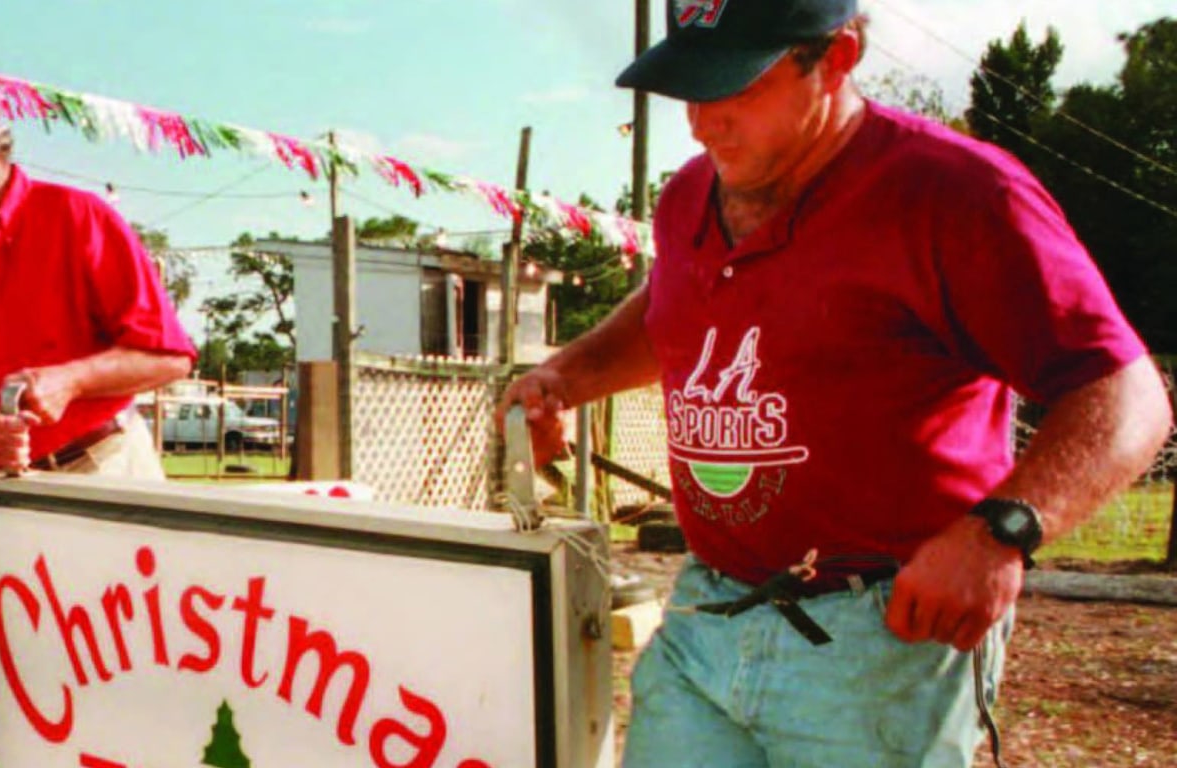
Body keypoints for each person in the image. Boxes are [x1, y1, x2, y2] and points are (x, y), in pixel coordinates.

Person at [499, 1, 1173, 765]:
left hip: (882, 635)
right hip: (708, 606)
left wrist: (1001, 533)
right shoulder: (691, 191)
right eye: (690, 87)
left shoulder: (955, 194)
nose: (702, 121)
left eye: (736, 86)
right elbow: (669, 306)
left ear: (838, 56)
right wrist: (564, 376)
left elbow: (1126, 394)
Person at [0, 72, 198, 736]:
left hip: (99, 476)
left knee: (132, 675)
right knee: (16, 681)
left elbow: (170, 355)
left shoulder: (78, 219)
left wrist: (73, 379)